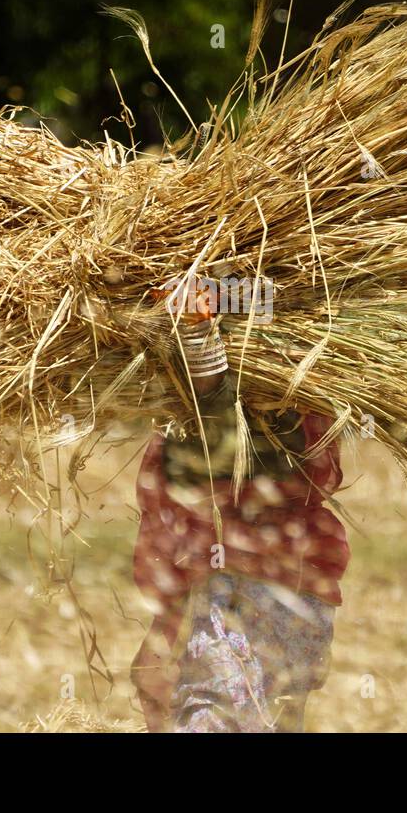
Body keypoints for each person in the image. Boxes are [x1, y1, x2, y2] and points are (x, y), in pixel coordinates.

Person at [130, 277, 349, 732]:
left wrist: (197, 340)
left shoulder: (271, 424)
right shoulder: (302, 405)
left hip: (248, 599)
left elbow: (229, 460)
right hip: (286, 594)